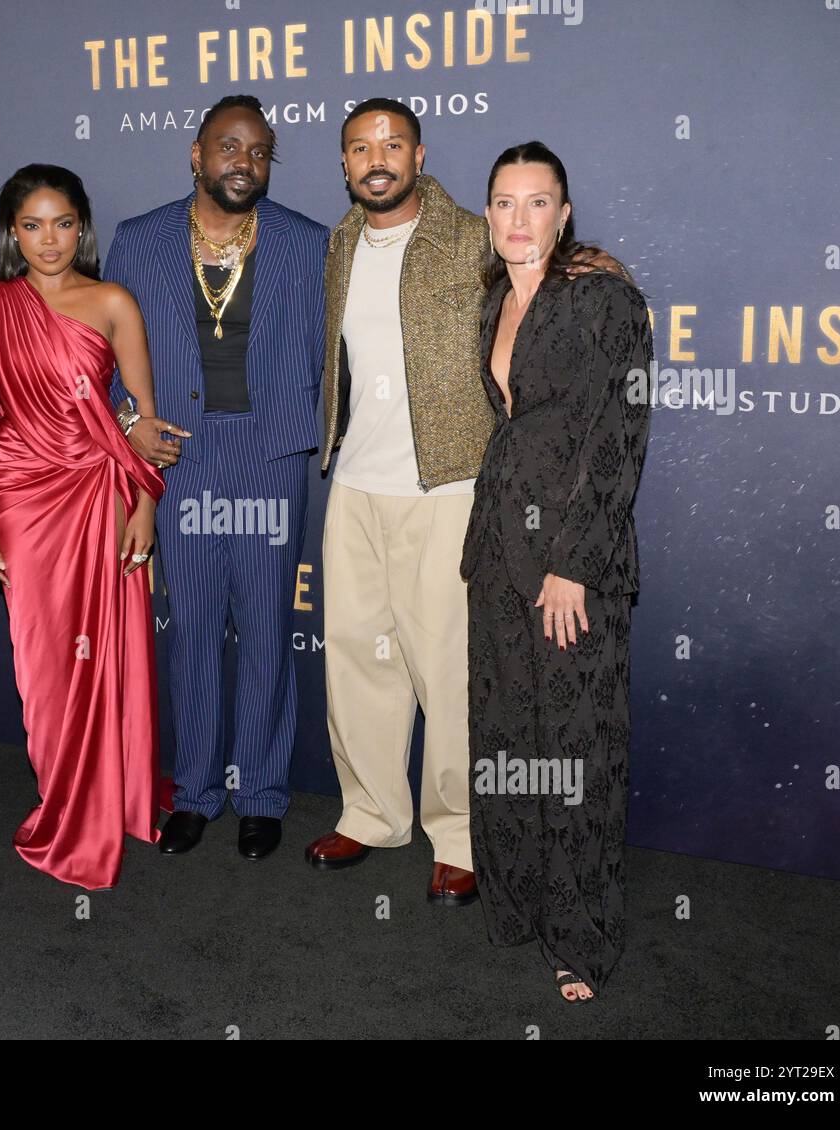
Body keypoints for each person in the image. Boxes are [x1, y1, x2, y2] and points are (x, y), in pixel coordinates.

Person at [102, 95, 328, 860]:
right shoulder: (138, 241)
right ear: (195, 156)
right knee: (193, 629)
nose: (244, 162)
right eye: (229, 147)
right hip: (182, 454)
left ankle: (261, 794)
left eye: (260, 151)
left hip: (270, 455)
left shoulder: (308, 243)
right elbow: (101, 350)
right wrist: (130, 418)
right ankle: (194, 793)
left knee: (267, 626)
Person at [460, 141, 653, 1001]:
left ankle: (581, 935)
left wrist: (574, 564)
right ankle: (515, 903)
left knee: (573, 747)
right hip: (500, 545)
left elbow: (619, 441)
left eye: (538, 203)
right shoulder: (495, 298)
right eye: (504, 202)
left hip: (573, 556)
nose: (519, 220)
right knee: (506, 735)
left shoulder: (605, 300)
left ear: (566, 213)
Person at [306, 99, 489, 905]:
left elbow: (541, 271)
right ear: (344, 163)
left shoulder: (473, 236)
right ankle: (374, 812)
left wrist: (588, 264)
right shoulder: (341, 242)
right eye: (358, 147)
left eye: (391, 144)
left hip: (446, 484)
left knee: (447, 670)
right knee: (356, 659)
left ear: (419, 154)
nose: (375, 159)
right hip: (353, 483)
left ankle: (461, 837)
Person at [0, 165, 164, 891]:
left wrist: (144, 506)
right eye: (32, 225)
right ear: (12, 233)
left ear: (83, 226)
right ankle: (65, 800)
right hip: (19, 496)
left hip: (100, 490)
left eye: (63, 223)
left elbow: (141, 418)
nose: (49, 240)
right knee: (44, 664)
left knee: (103, 654)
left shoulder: (112, 300)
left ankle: (110, 796)